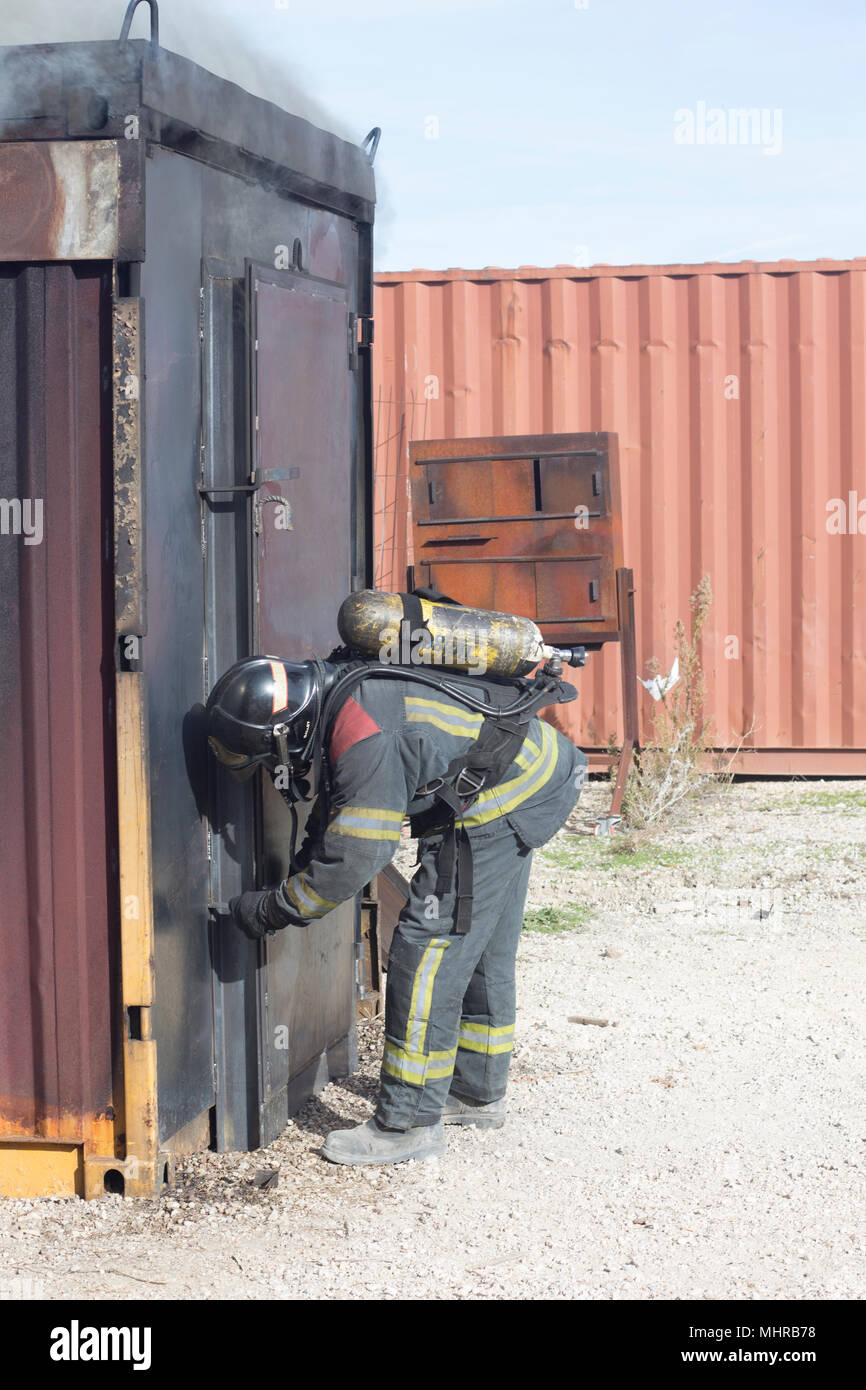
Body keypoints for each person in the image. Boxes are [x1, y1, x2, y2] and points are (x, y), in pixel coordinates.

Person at [205, 648, 586, 1165]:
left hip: (503, 800)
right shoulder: (346, 691)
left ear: (283, 731)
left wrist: (273, 909)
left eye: (268, 757)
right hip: (536, 774)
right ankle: (476, 1091)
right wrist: (306, 861)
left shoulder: (367, 735)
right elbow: (341, 806)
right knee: (481, 945)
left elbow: (358, 855)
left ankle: (407, 1123)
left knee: (425, 952)